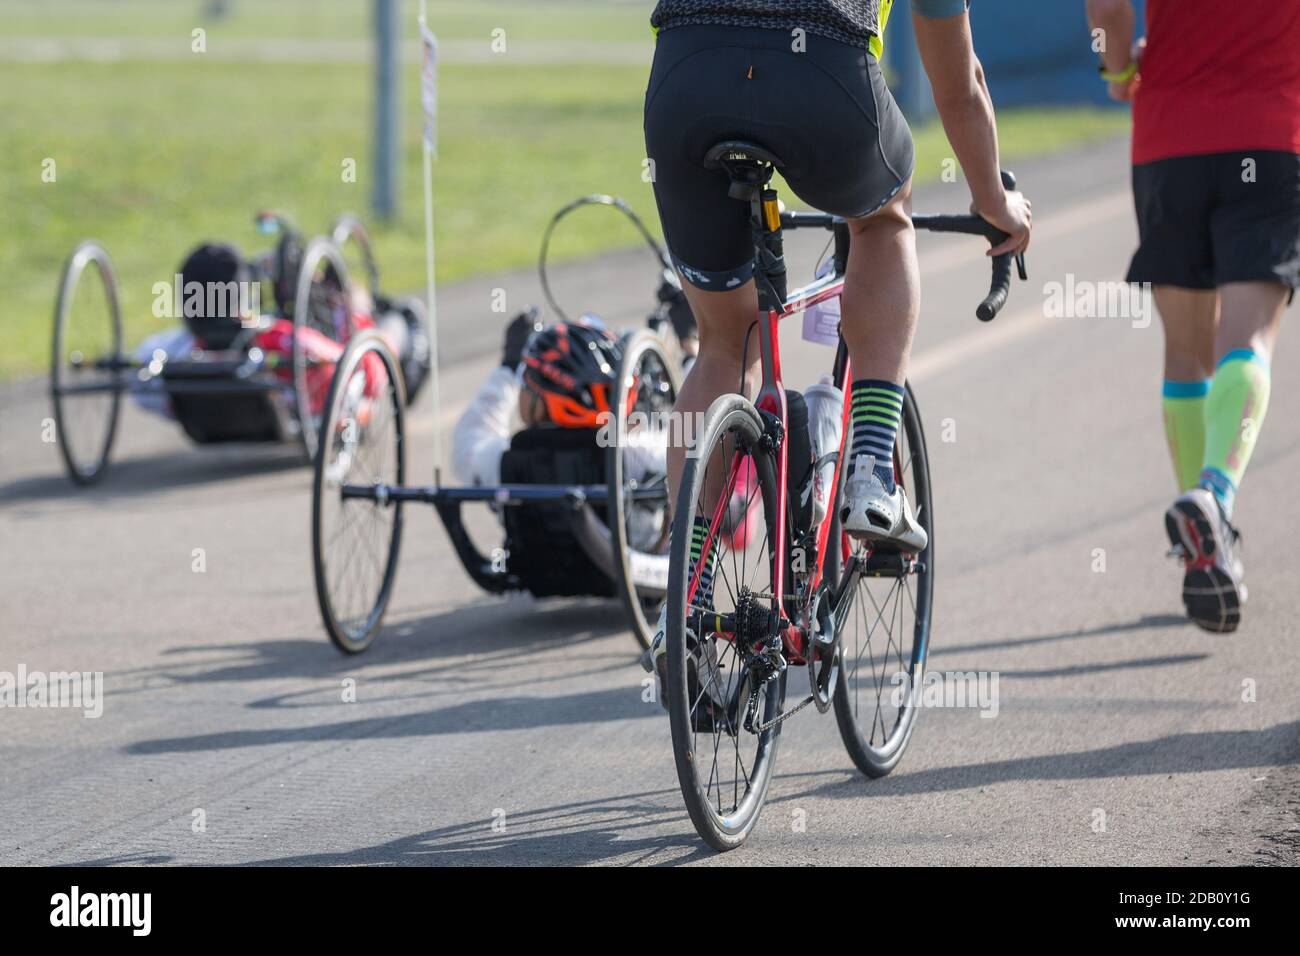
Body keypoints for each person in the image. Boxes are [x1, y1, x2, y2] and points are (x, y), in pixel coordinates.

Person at [641, 0, 1032, 698]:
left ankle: (685, 594)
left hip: (686, 73)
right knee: (884, 219)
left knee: (725, 342)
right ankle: (873, 472)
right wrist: (991, 198)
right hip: (822, 76)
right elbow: (957, 81)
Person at [1085, 0, 1300, 633]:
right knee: (1250, 336)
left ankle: (1203, 555)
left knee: (1186, 351)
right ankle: (1213, 496)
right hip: (1269, 131)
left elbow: (1106, 8)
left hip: (1168, 140)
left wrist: (1116, 72)